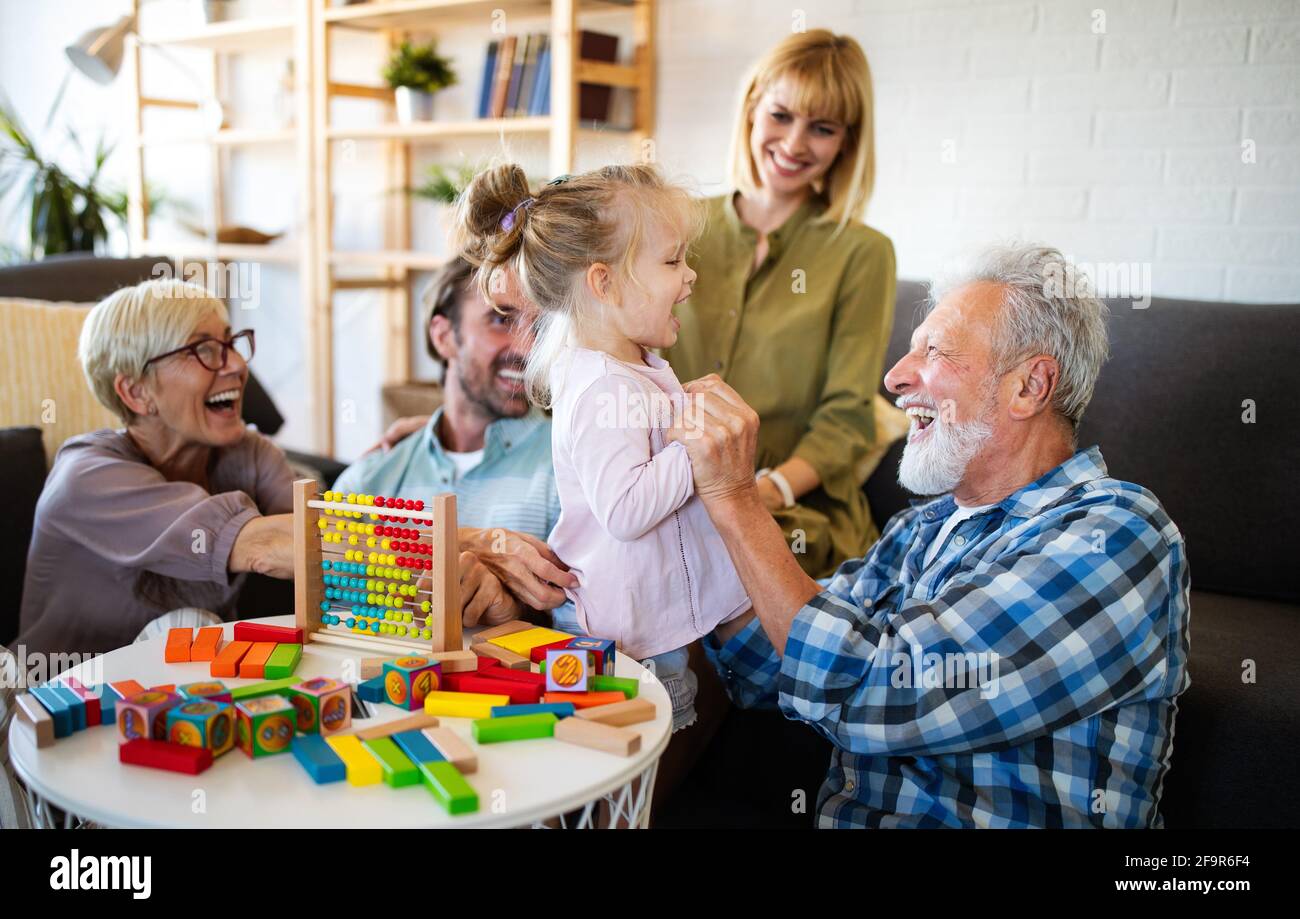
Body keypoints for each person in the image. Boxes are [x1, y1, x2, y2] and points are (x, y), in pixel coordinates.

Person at [672, 244, 1191, 828]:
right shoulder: (920, 528)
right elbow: (768, 659)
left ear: (1029, 387)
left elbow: (869, 690)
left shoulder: (1116, 534)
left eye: (935, 351)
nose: (895, 377)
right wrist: (681, 509)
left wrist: (738, 500)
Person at [454, 163, 750, 736]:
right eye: (672, 261)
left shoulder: (627, 370)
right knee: (639, 754)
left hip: (647, 620)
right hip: (627, 638)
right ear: (603, 283)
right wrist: (696, 444)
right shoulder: (602, 387)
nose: (690, 277)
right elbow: (626, 509)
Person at [664, 29, 898, 579]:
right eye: (781, 115)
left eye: (822, 128)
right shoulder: (679, 225)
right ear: (751, 109)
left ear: (846, 141)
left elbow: (846, 419)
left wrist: (762, 492)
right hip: (666, 496)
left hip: (792, 511)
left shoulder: (863, 254)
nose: (794, 144)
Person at [18, 279, 296, 656]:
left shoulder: (247, 452)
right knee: (192, 625)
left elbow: (316, 526)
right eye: (204, 350)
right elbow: (268, 542)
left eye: (231, 343)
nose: (235, 365)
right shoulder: (87, 479)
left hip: (176, 697)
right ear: (137, 392)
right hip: (56, 698)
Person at [333, 256, 576, 618]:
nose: (528, 349)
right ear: (444, 336)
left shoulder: (572, 468)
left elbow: (589, 650)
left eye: (539, 328)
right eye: (502, 320)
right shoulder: (370, 478)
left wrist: (511, 616)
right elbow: (331, 624)